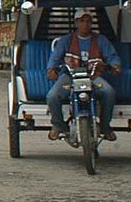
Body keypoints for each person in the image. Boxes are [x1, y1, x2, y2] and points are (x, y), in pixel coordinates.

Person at [45, 8, 120, 143]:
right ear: (76, 23)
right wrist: (51, 69)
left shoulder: (101, 40)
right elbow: (55, 57)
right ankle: (58, 125)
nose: (85, 24)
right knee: (52, 96)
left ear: (91, 23)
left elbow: (112, 56)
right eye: (81, 21)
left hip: (93, 77)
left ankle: (105, 127)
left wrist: (114, 65)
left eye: (87, 21)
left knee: (109, 92)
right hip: (70, 77)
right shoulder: (66, 40)